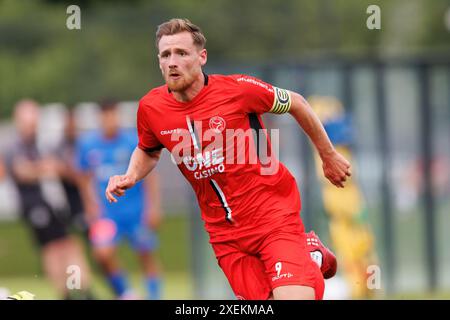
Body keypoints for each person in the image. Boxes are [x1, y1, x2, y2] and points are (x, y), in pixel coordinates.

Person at [105, 18, 351, 300]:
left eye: (181, 53)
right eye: (165, 55)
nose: (172, 61)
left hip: (272, 215)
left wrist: (328, 154)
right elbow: (149, 149)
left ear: (201, 57)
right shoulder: (151, 108)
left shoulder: (239, 90)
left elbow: (296, 102)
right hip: (225, 234)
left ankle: (304, 256)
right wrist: (130, 175)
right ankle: (312, 257)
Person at [3, 99, 93, 300]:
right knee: (53, 249)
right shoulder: (13, 146)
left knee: (68, 245)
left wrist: (45, 167)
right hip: (34, 206)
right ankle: (68, 292)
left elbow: (62, 167)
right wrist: (44, 168)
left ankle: (78, 289)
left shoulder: (42, 143)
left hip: (54, 203)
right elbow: (22, 171)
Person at [76, 100, 163, 300]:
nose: (110, 120)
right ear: (99, 118)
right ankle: (126, 293)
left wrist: (153, 207)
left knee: (146, 254)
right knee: (102, 253)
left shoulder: (133, 141)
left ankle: (154, 296)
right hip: (107, 213)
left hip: (136, 211)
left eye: (113, 115)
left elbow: (151, 176)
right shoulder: (88, 145)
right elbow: (83, 177)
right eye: (105, 116)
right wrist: (90, 204)